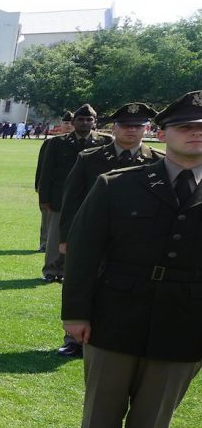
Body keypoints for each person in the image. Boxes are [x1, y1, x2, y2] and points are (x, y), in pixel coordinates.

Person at [58, 91, 202, 428]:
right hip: (116, 308)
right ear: (164, 133)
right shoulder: (117, 184)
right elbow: (83, 253)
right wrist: (76, 315)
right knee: (103, 401)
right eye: (185, 127)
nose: (196, 134)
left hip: (187, 317)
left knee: (155, 410)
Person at [51, 102, 164, 358]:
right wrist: (67, 238)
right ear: (114, 128)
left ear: (147, 128)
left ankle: (114, 336)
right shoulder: (90, 158)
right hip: (92, 237)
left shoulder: (158, 161)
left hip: (138, 242)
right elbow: (72, 201)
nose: (131, 131)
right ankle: (74, 339)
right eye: (126, 125)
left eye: (138, 126)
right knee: (82, 283)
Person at [35, 103, 111, 282]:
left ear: (94, 122)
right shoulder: (56, 143)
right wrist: (44, 199)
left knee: (88, 237)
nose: (84, 122)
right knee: (55, 238)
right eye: (80, 119)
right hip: (60, 198)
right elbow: (46, 173)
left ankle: (74, 271)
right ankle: (52, 270)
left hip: (92, 198)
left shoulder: (105, 142)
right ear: (74, 122)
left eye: (88, 119)